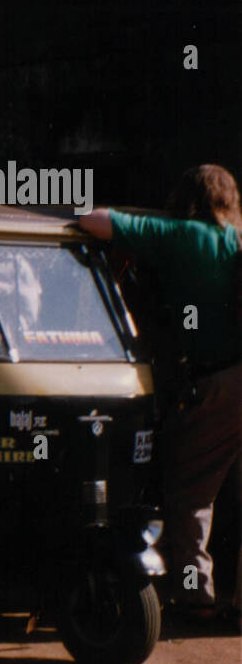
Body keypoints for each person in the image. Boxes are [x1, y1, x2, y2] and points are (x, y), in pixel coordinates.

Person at [78, 164, 241, 627]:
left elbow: (94, 221)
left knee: (191, 494)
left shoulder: (178, 234)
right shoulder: (236, 239)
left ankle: (195, 598)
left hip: (220, 383)